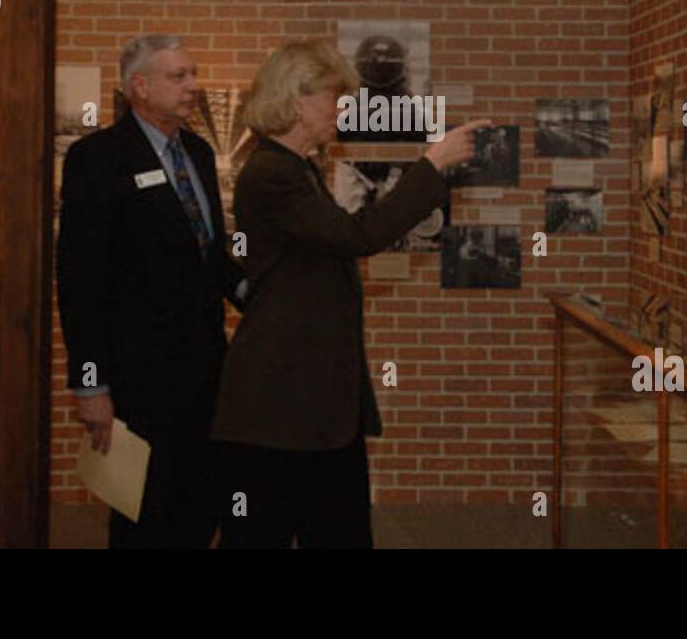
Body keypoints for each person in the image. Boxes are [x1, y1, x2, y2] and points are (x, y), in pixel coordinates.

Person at [211, 39, 486, 548]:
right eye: (335, 99)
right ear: (297, 101)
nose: (345, 109)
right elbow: (355, 237)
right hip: (278, 406)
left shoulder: (297, 168)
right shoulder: (272, 173)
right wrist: (430, 164)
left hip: (313, 402)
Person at [56, 34, 244, 549]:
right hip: (137, 378)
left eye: (194, 74)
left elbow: (210, 258)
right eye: (178, 76)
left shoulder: (200, 154)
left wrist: (260, 294)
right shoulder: (98, 159)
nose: (193, 86)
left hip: (206, 372)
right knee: (145, 516)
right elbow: (80, 280)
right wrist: (90, 387)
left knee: (202, 503)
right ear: (139, 87)